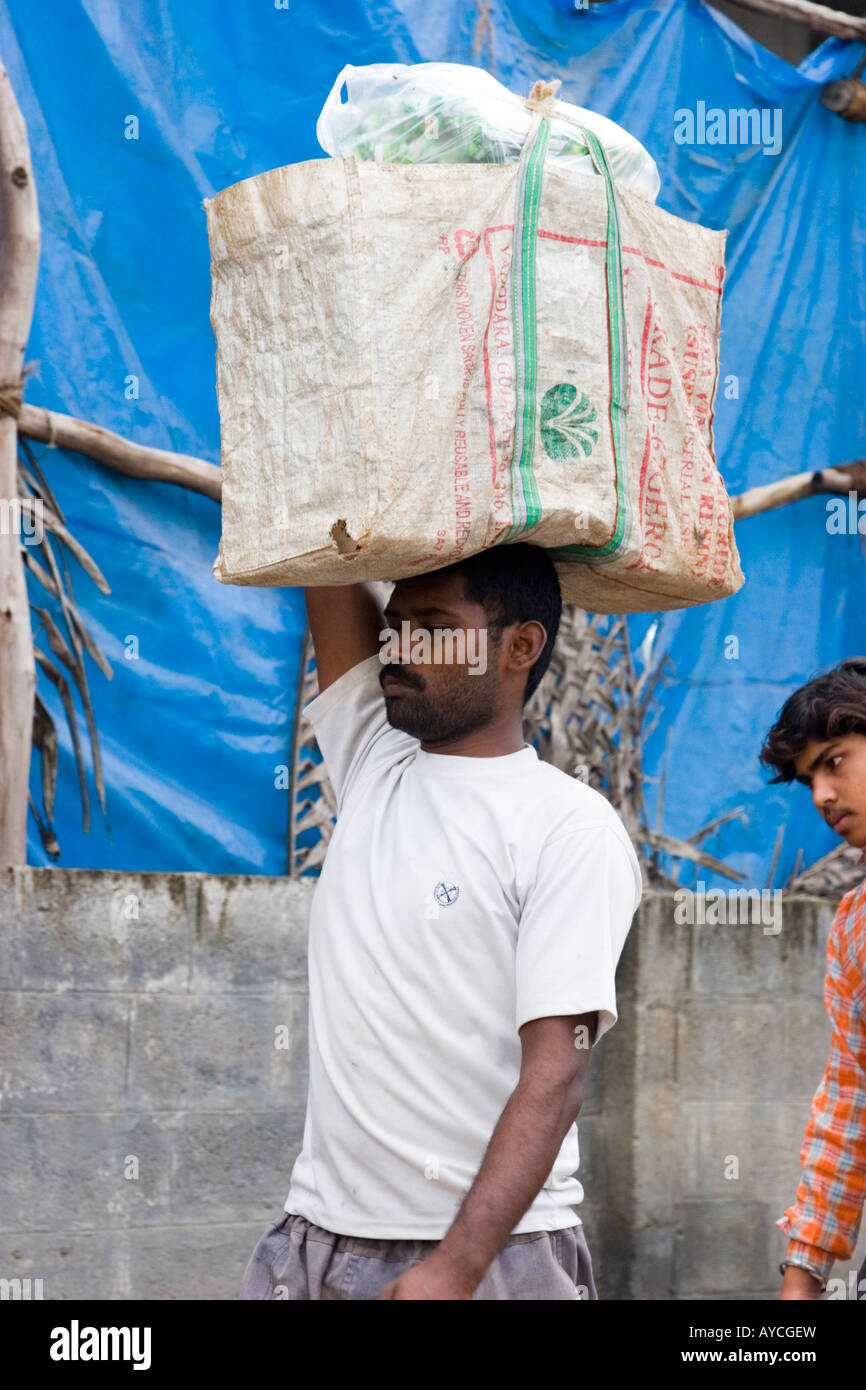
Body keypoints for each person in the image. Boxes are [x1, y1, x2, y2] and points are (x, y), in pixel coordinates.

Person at [241, 543, 642, 1300]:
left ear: (520, 645)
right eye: (393, 627)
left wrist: (456, 1268)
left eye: (430, 626)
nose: (396, 649)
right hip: (315, 1241)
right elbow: (328, 555)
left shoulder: (569, 829)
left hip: (494, 1257)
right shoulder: (375, 763)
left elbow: (557, 1075)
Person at [759, 657, 866, 1301]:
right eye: (809, 779)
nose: (821, 795)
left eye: (835, 761)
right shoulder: (854, 925)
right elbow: (852, 1102)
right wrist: (803, 1279)